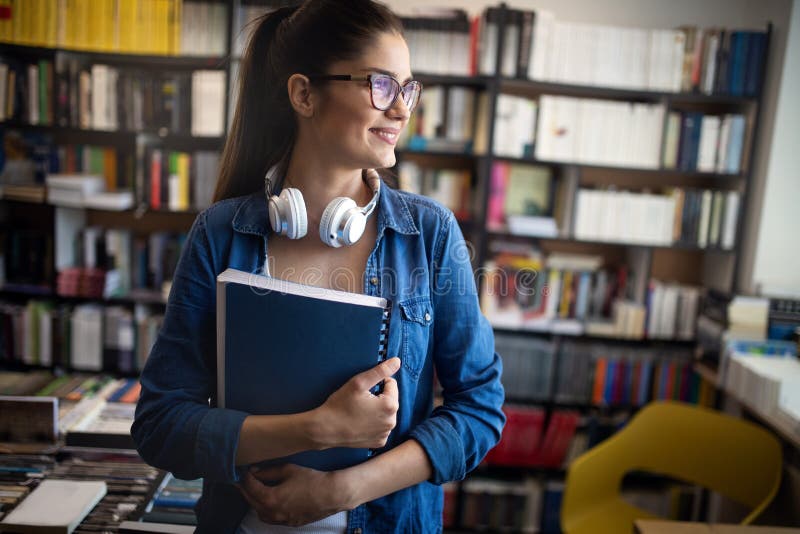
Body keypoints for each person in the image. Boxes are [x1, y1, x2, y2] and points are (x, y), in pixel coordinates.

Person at [131, 0, 505, 532]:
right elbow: (161, 426)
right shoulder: (220, 234)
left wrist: (342, 490)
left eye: (408, 89)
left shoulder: (430, 235)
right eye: (381, 85)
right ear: (304, 94)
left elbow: (480, 410)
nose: (401, 110)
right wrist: (317, 428)